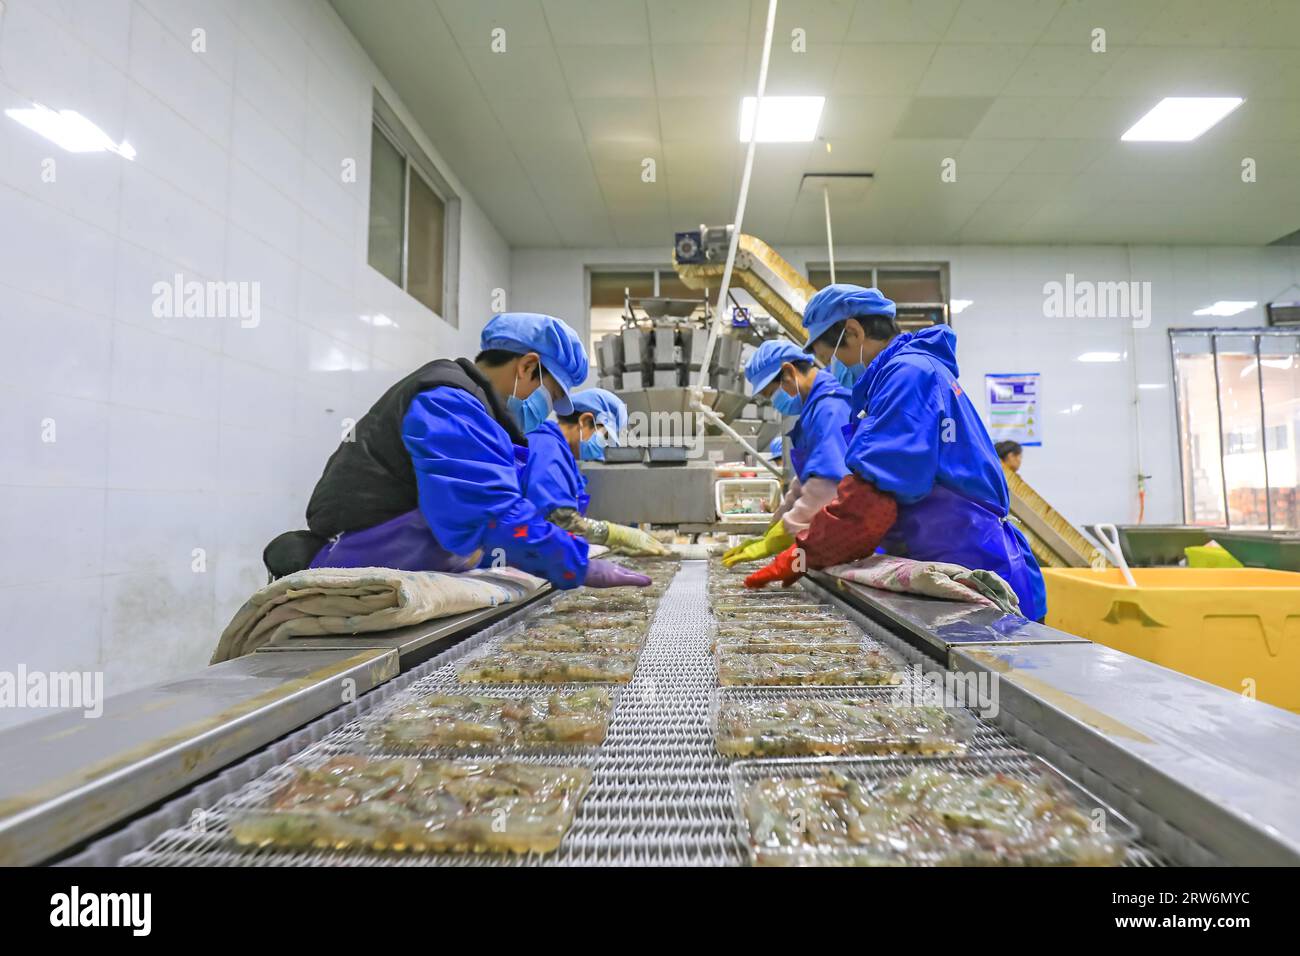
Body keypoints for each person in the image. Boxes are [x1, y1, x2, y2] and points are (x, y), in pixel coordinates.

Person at [263, 312, 649, 590]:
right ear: (528, 367)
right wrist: (578, 566)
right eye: (550, 395)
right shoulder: (447, 402)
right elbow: (493, 515)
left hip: (406, 574)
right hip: (359, 574)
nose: (547, 409)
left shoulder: (483, 416)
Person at [745, 284, 1046, 620]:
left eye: (831, 356)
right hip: (951, 559)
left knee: (983, 671)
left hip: (975, 566)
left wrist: (800, 555)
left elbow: (870, 503)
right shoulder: (906, 373)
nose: (832, 368)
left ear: (854, 332)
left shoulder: (907, 375)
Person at [722, 339, 851, 568]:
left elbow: (825, 488)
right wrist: (774, 528)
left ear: (789, 372)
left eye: (772, 394)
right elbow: (804, 482)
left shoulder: (830, 408)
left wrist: (780, 535)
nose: (774, 403)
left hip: (851, 536)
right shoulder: (814, 411)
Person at [520, 387, 666, 556]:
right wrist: (614, 534)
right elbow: (561, 521)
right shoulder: (548, 449)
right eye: (604, 437)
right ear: (584, 421)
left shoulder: (560, 454)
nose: (603, 446)